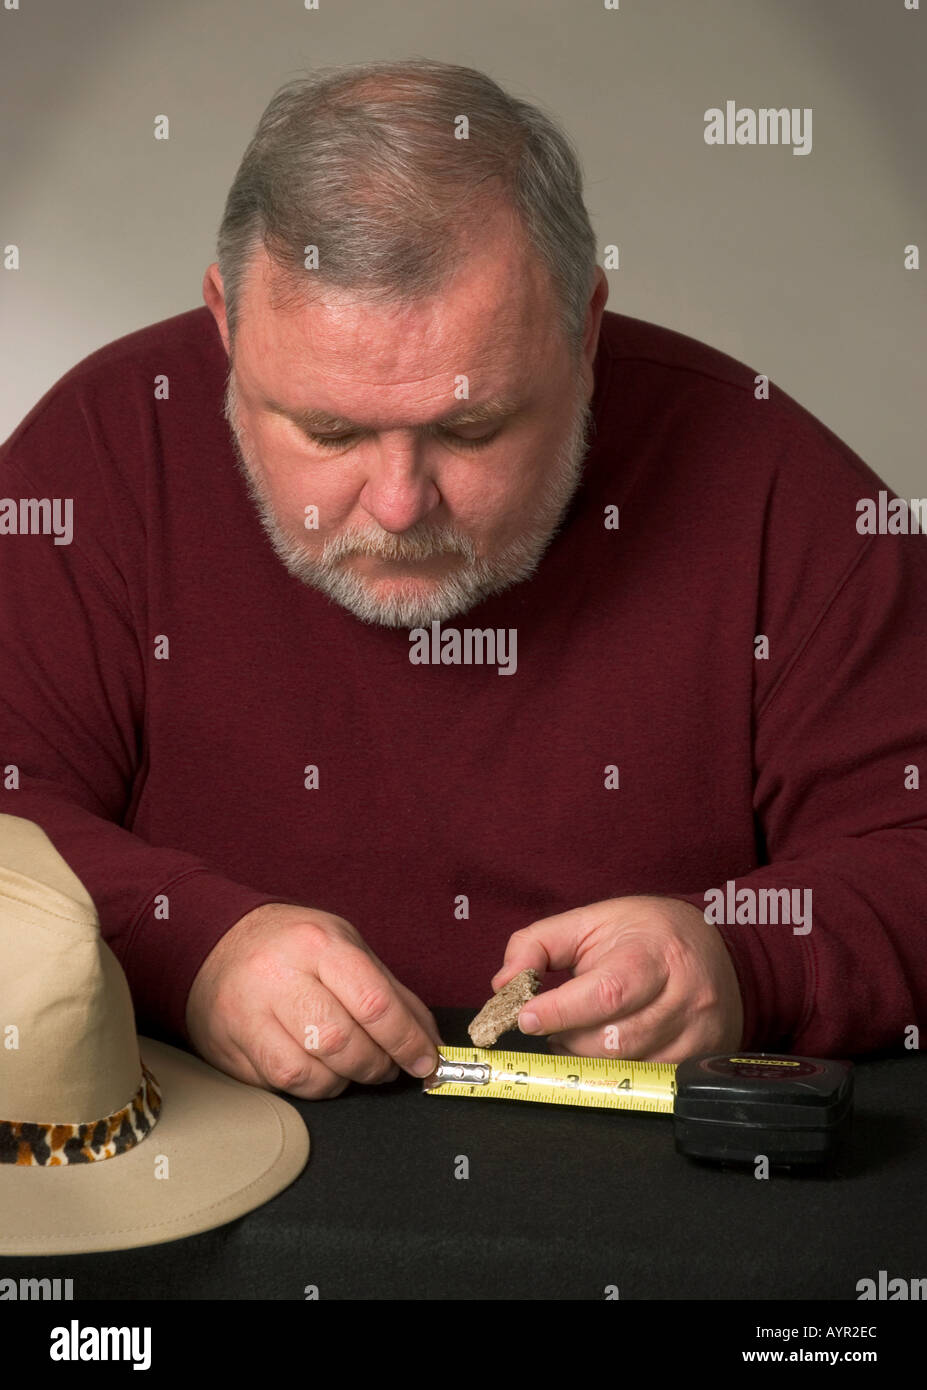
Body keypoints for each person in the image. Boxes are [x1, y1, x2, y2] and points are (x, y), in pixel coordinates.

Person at [1, 59, 924, 1101]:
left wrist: (745, 962)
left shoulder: (777, 488)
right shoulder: (99, 454)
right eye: (330, 430)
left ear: (585, 332)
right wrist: (192, 946)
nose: (399, 504)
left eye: (471, 427)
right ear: (227, 326)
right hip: (206, 1169)